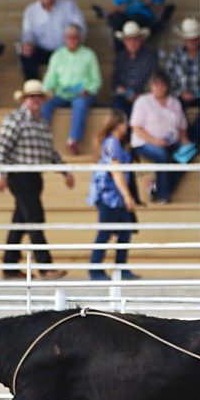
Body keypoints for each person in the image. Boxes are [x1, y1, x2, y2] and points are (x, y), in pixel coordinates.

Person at [0, 79, 75, 280]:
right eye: (32, 97)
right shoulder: (14, 119)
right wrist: (2, 174)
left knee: (20, 221)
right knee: (35, 218)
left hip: (34, 177)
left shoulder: (41, 123)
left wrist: (64, 171)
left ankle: (10, 265)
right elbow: (2, 149)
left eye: (38, 97)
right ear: (24, 99)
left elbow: (50, 152)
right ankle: (45, 266)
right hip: (19, 175)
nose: (36, 100)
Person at [87, 110, 141, 281]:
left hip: (116, 196)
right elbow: (116, 172)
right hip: (110, 196)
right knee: (105, 232)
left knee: (125, 231)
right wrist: (128, 196)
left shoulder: (116, 143)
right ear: (118, 125)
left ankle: (121, 267)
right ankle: (95, 269)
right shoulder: (112, 143)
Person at [40, 24, 102, 155]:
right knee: (44, 104)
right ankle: (42, 138)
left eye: (75, 37)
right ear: (65, 38)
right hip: (61, 94)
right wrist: (45, 91)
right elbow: (50, 77)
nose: (72, 40)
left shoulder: (89, 55)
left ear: (80, 38)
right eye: (69, 37)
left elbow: (96, 81)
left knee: (80, 103)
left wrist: (88, 90)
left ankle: (73, 140)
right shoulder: (57, 55)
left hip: (82, 94)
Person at [129, 72, 189, 205]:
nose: (160, 87)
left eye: (163, 84)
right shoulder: (143, 101)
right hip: (145, 142)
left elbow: (182, 125)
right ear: (150, 86)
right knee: (162, 155)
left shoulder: (174, 102)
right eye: (156, 84)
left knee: (187, 155)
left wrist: (185, 141)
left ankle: (157, 187)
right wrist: (155, 141)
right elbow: (136, 127)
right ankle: (163, 196)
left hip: (171, 142)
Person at [20, 0, 86, 82]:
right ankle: (33, 89)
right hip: (42, 50)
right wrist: (28, 43)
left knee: (76, 51)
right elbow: (28, 32)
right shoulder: (30, 11)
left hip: (65, 49)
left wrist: (73, 31)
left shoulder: (69, 5)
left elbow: (79, 25)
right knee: (26, 54)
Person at [166, 17, 200, 145]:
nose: (191, 41)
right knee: (175, 107)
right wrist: (181, 92)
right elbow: (168, 78)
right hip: (180, 95)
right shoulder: (175, 55)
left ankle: (192, 140)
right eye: (188, 38)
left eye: (194, 38)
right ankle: (187, 142)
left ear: (199, 38)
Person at [110, 21, 158, 114]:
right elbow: (115, 81)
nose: (132, 43)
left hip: (144, 97)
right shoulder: (120, 58)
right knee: (117, 107)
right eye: (129, 40)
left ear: (140, 40)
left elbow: (154, 80)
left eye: (135, 39)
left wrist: (138, 95)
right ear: (124, 42)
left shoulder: (150, 57)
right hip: (124, 98)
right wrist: (123, 91)